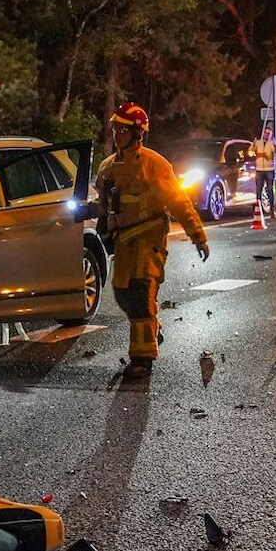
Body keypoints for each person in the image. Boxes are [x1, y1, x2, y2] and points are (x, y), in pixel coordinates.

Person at [96, 102, 210, 378]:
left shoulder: (155, 165)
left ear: (138, 133)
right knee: (122, 291)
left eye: (122, 130)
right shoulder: (107, 167)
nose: (117, 135)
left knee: (140, 291)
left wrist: (198, 236)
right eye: (115, 130)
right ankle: (152, 329)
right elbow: (104, 203)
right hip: (124, 239)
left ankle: (142, 359)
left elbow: (179, 202)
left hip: (150, 236)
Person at [250, 129, 276, 218]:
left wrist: (275, 144)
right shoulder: (258, 143)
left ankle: (272, 209)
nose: (266, 134)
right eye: (265, 133)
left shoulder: (271, 143)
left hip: (269, 169)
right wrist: (253, 145)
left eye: (268, 133)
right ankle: (258, 210)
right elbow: (250, 152)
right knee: (258, 191)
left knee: (270, 190)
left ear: (271, 135)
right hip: (259, 170)